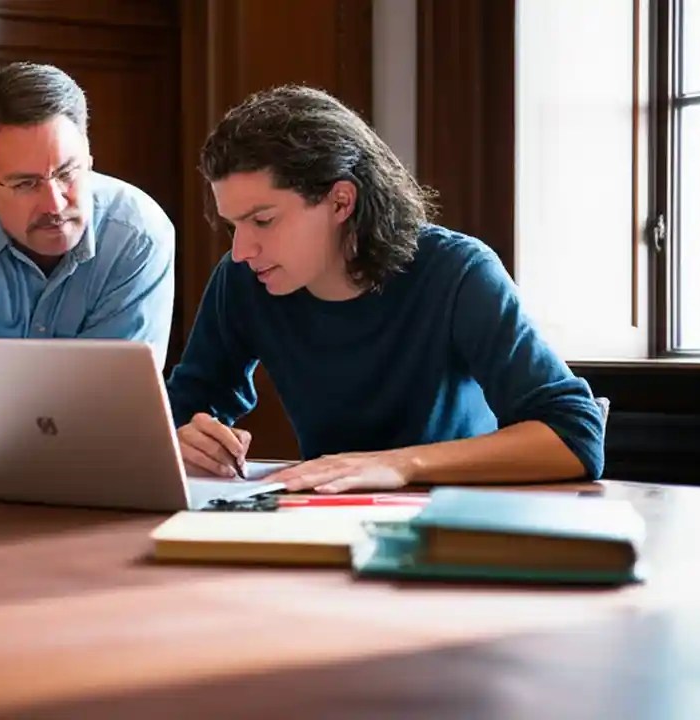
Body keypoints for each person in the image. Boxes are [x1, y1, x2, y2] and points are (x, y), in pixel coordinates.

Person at [166, 84, 604, 494]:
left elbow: (575, 434)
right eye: (232, 226)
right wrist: (186, 438)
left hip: (458, 522)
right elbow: (180, 412)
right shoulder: (243, 278)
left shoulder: (458, 272)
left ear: (341, 201)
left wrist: (400, 464)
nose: (241, 250)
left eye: (263, 221)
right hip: (323, 521)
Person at [0, 62, 175, 466]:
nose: (55, 204)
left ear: (89, 154)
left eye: (67, 172)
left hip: (85, 454)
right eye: (25, 184)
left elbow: (114, 400)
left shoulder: (138, 235)